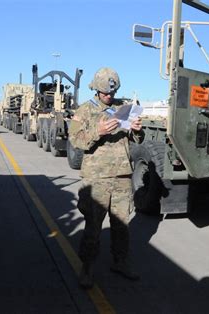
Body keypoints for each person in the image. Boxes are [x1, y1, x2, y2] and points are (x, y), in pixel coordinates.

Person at [69, 67, 144, 289]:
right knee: (93, 225)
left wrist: (137, 129)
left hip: (121, 175)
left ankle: (120, 262)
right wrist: (97, 131)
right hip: (97, 177)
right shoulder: (85, 111)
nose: (109, 96)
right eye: (104, 92)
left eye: (112, 92)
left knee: (122, 224)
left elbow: (137, 141)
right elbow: (76, 141)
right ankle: (87, 268)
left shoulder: (124, 109)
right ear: (96, 89)